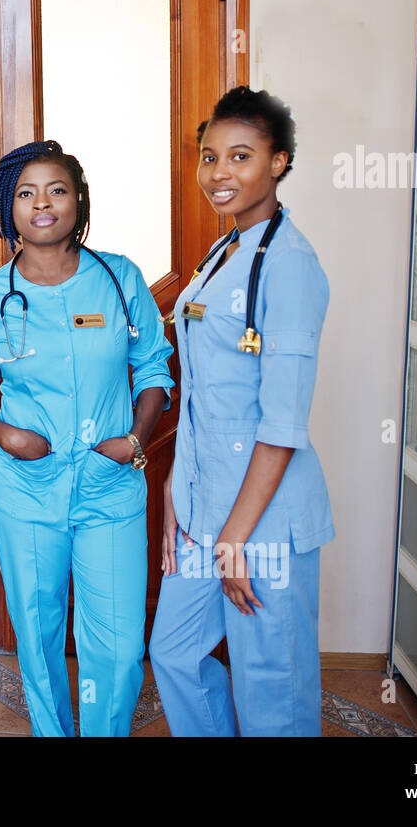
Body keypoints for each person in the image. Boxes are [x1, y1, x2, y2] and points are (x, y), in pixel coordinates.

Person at [0, 140, 174, 737]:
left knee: (121, 646)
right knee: (39, 638)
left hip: (110, 487)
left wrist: (137, 438)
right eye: (25, 193)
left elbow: (153, 367)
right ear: (7, 208)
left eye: (56, 190)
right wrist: (8, 436)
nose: (41, 204)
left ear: (79, 201)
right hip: (26, 489)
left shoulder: (120, 278)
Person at [148, 85, 332, 737]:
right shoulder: (226, 252)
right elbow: (205, 392)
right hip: (206, 506)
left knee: (270, 690)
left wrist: (235, 537)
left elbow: (281, 424)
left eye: (241, 156)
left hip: (263, 522)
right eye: (209, 156)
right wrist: (178, 486)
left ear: (278, 162)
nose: (219, 173)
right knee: (173, 651)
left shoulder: (290, 266)